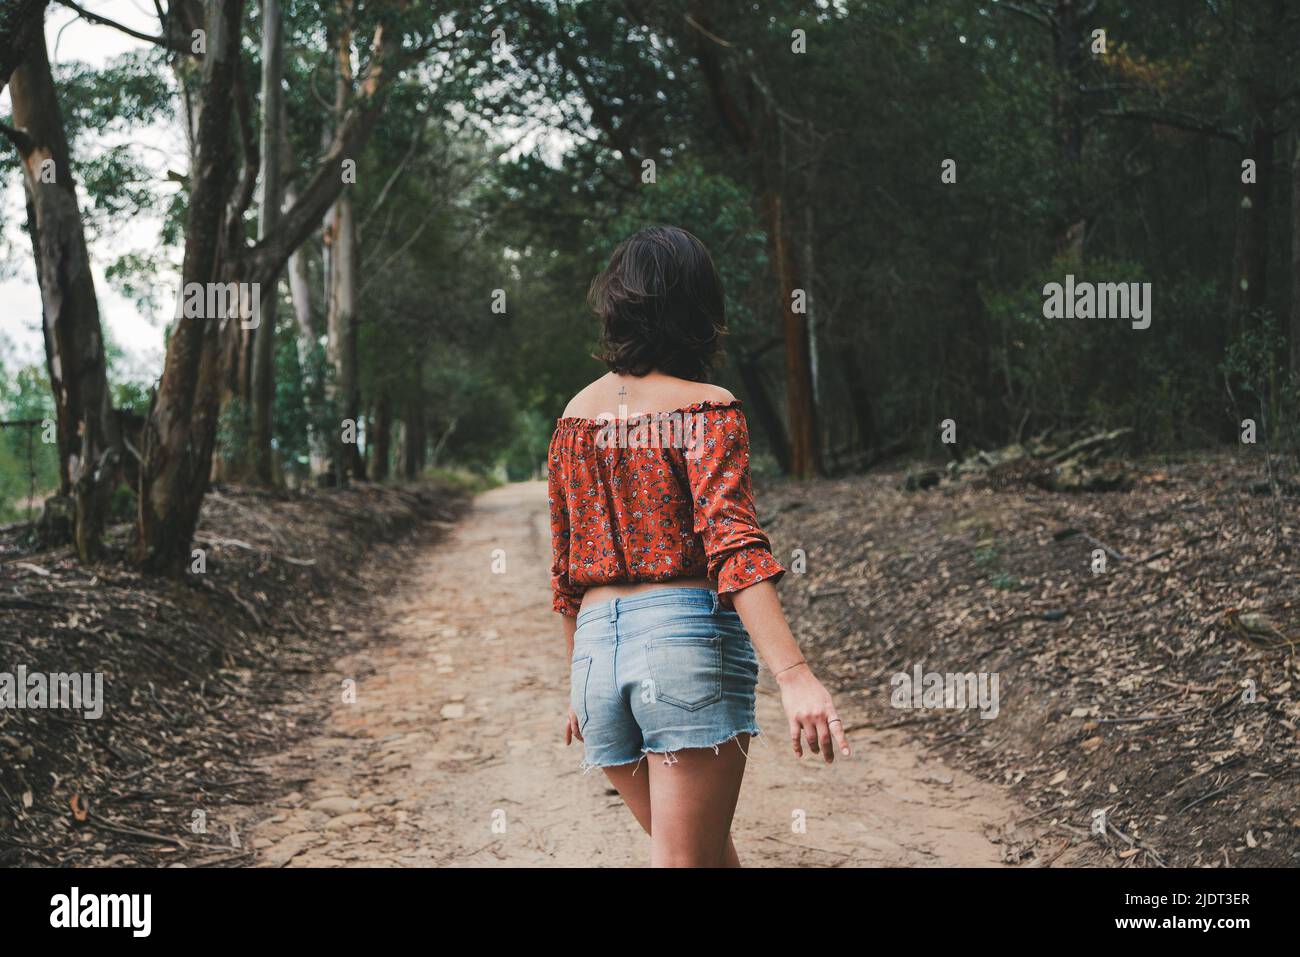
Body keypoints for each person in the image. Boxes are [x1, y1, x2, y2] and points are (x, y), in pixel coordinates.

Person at [548, 224, 850, 867]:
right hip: (682, 645)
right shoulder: (706, 408)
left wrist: (577, 678)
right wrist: (796, 677)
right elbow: (732, 544)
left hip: (596, 659)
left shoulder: (573, 417)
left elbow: (566, 568)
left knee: (704, 856)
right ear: (696, 308)